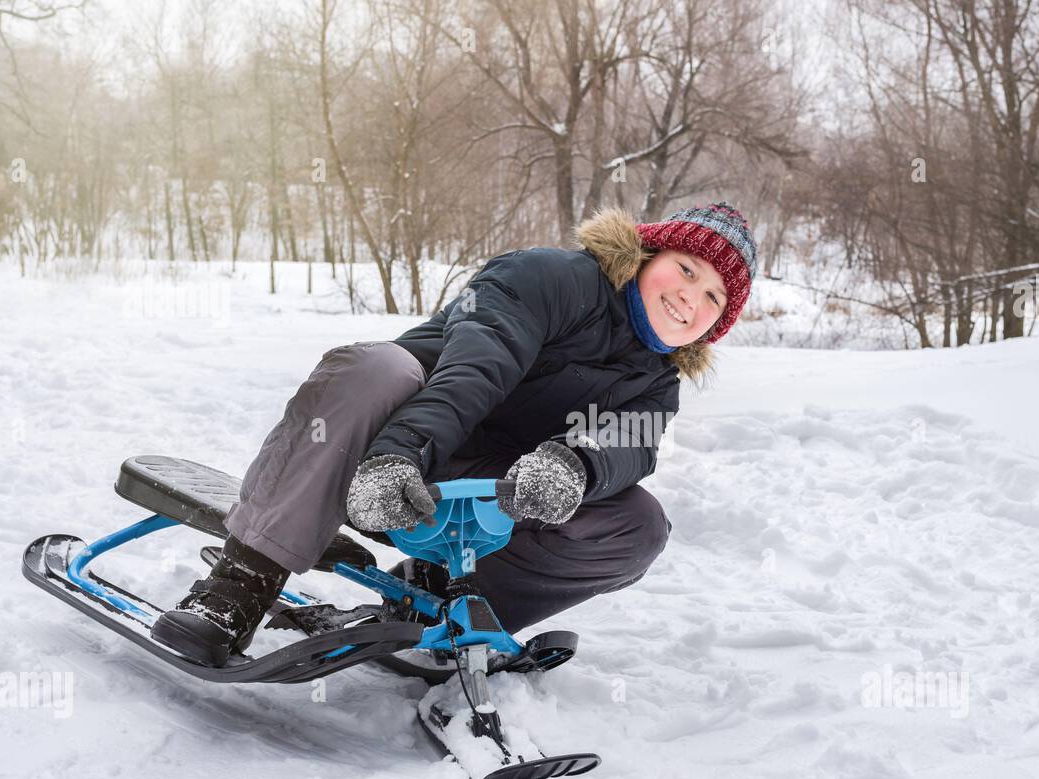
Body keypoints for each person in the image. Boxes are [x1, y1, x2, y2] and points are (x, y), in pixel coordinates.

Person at [150, 201, 758, 667]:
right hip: (376, 457)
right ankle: (241, 582)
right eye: (686, 269)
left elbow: (629, 442)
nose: (690, 298)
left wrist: (573, 464)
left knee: (638, 525)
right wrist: (396, 454)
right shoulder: (550, 277)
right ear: (648, 255)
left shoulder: (659, 384)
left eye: (714, 298)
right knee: (376, 366)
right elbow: (478, 367)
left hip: (467, 506)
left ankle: (443, 606)